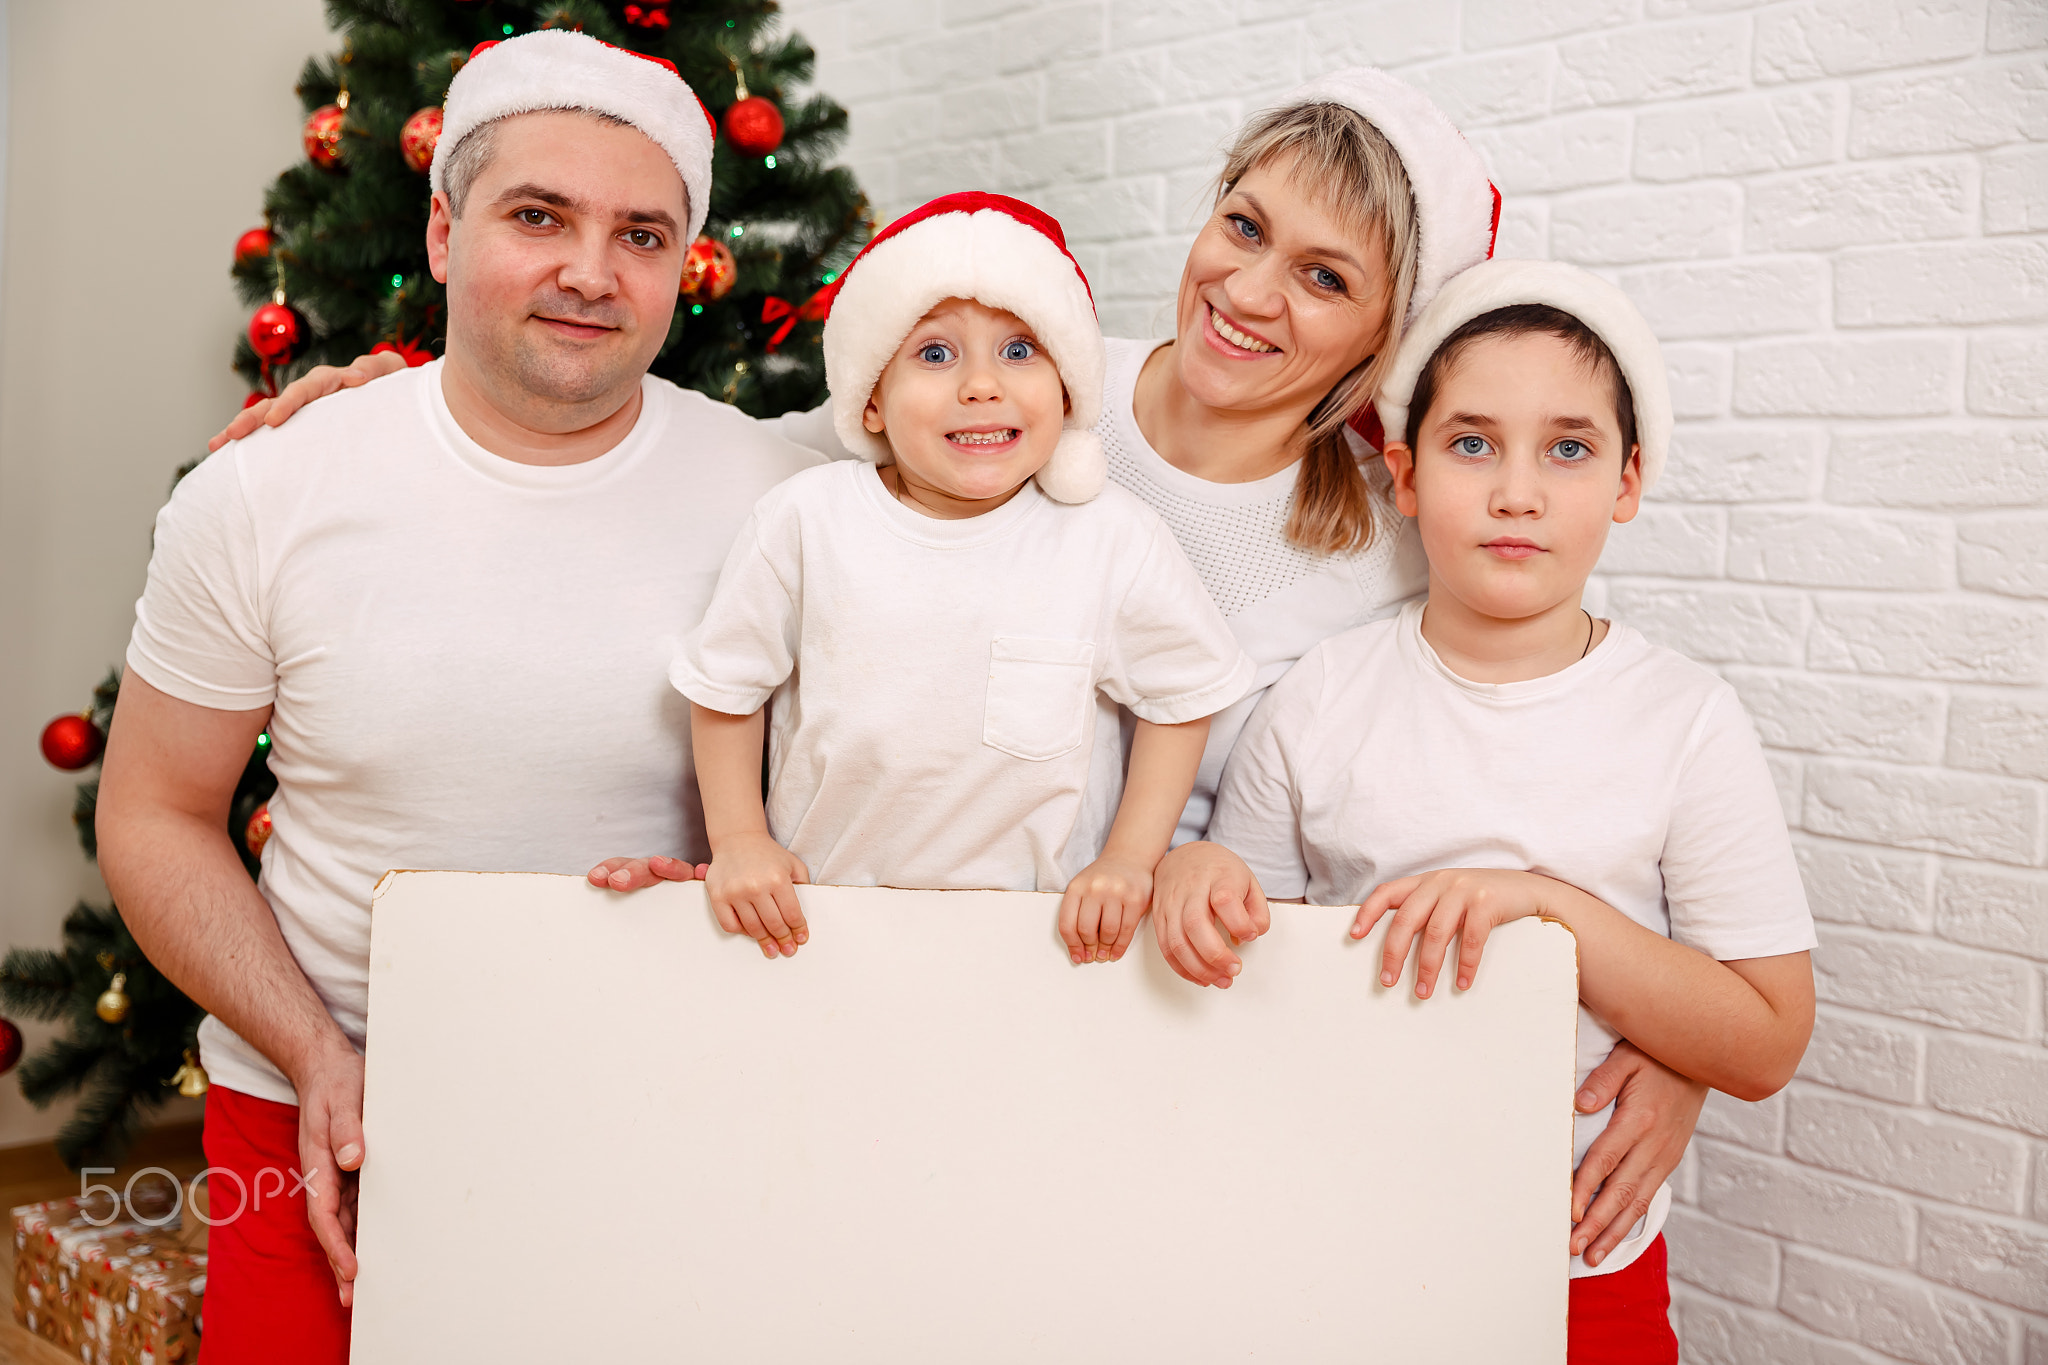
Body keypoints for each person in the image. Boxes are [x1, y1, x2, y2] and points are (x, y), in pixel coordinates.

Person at [208, 64, 1704, 1275]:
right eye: (1242, 225)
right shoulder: (1016, 373)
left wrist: (1657, 1033)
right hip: (892, 978)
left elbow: (1525, 742)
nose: (1252, 290)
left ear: (1386, 336)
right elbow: (695, 472)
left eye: (1325, 276)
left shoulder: (1392, 539)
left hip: (1178, 1017)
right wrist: (398, 411)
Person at [93, 32, 821, 1363]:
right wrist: (314, 1054)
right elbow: (152, 812)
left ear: (684, 267)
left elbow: (1066, 413)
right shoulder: (267, 491)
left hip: (673, 1096)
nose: (590, 273)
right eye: (538, 216)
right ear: (439, 231)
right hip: (318, 1108)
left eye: (642, 236)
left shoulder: (791, 493)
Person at [1152, 260, 1819, 1362]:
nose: (1517, 491)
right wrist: (1189, 877)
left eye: (1567, 448)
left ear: (1627, 480)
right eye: (1471, 443)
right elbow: (1240, 954)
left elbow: (1763, 1042)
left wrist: (1549, 912)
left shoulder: (1683, 721)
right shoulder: (1318, 700)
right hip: (1336, 1246)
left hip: (1577, 1270)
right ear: (1404, 478)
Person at [612, 193, 1252, 964]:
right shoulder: (806, 522)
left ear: (1068, 388)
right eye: (937, 353)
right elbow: (726, 686)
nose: (982, 385)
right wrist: (741, 838)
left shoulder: (1110, 538)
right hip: (819, 927)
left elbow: (1181, 699)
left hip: (1040, 943)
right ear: (872, 399)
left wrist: (1128, 859)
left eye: (1020, 351)